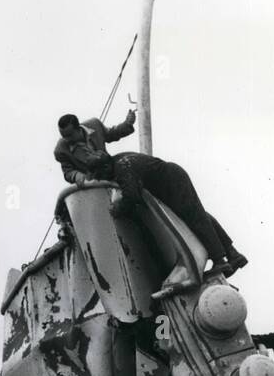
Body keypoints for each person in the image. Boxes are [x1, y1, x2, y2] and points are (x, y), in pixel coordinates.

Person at [54, 112, 247, 277]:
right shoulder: (69, 151)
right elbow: (68, 172)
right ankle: (232, 253)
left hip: (171, 179)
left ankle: (221, 259)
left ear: (78, 127)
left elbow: (132, 195)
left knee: (193, 215)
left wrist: (118, 208)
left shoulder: (122, 166)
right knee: (195, 214)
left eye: (70, 135)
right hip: (162, 181)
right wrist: (81, 177)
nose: (68, 140)